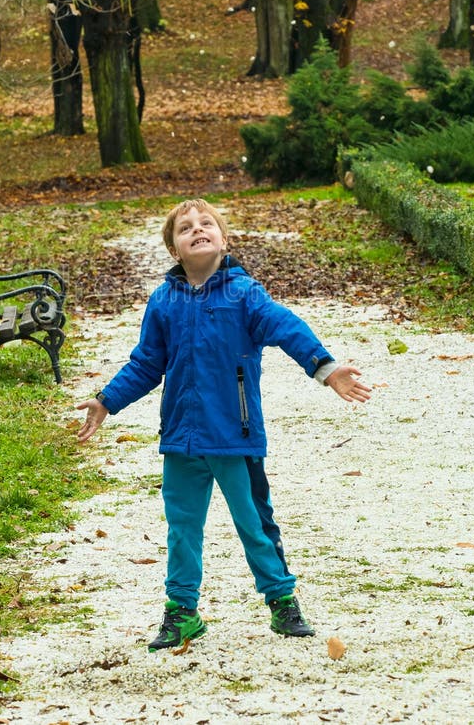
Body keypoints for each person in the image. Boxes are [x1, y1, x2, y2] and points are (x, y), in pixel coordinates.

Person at [76, 199, 371, 652]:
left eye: (206, 223)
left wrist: (326, 368)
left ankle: (281, 600)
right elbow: (146, 363)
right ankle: (181, 612)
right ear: (175, 249)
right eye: (185, 228)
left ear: (223, 239)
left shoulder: (244, 294)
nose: (197, 230)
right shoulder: (163, 301)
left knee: (254, 523)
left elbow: (286, 327)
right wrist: (106, 401)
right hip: (181, 439)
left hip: (235, 436)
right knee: (182, 527)